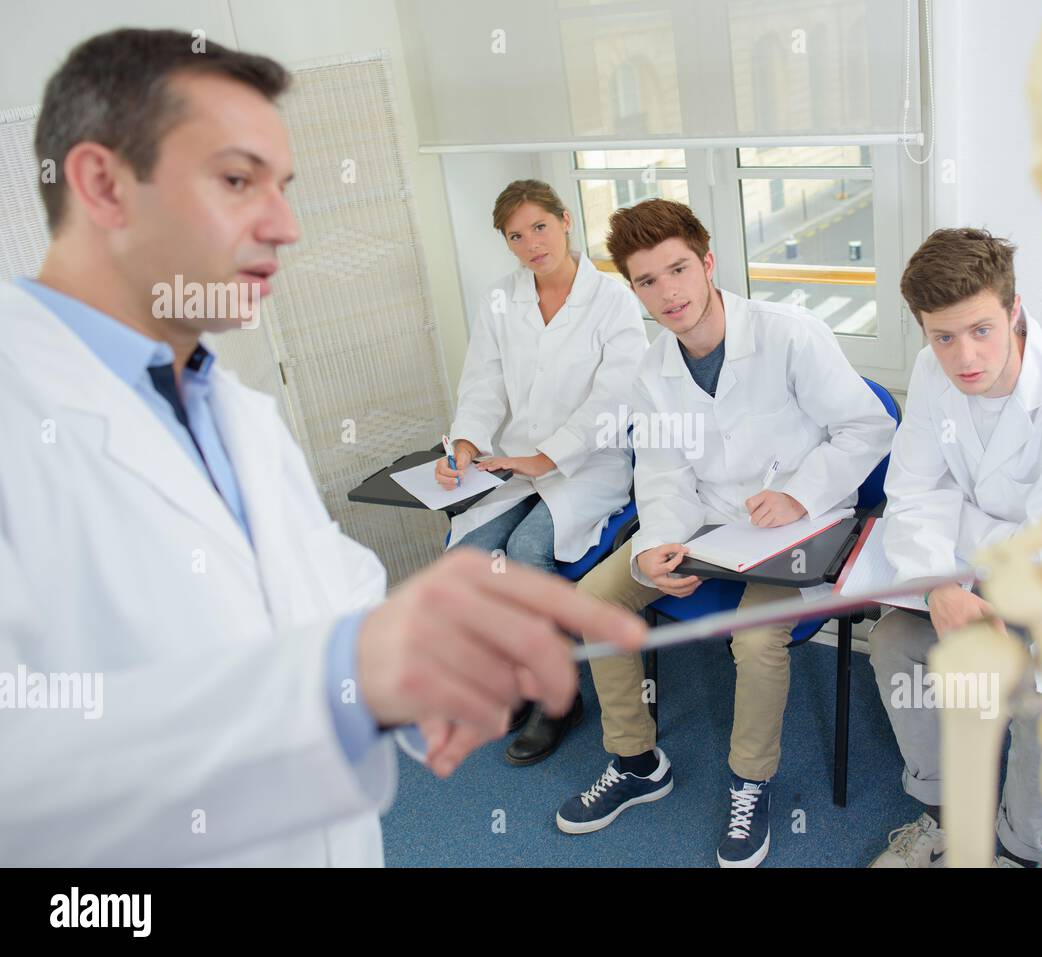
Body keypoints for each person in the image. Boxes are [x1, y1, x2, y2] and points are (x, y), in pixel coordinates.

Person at [0, 28, 645, 867]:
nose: (287, 225)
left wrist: (398, 675)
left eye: (285, 185)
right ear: (101, 184)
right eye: (237, 180)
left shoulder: (235, 414)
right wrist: (346, 676)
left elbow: (318, 609)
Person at [552, 199, 897, 867]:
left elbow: (868, 428)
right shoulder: (650, 373)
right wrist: (657, 542)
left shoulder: (789, 333)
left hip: (801, 524)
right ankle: (635, 761)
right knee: (593, 599)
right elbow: (661, 476)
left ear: (708, 263)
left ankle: (750, 780)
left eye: (678, 269)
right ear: (633, 289)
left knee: (756, 634)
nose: (667, 292)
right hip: (707, 523)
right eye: (647, 281)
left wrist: (799, 493)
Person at [867, 227, 1042, 868]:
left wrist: (963, 536)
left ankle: (1021, 845)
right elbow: (912, 492)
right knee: (892, 646)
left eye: (981, 330)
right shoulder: (933, 372)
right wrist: (941, 586)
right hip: (970, 581)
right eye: (943, 337)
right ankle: (948, 818)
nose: (963, 357)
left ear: (1014, 311)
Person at [436, 180, 648, 765]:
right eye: (516, 236)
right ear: (505, 244)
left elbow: (616, 400)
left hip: (589, 464)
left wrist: (549, 457)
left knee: (528, 550)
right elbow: (482, 382)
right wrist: (464, 444)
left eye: (540, 227)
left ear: (565, 222)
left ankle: (558, 699)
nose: (532, 243)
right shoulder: (501, 299)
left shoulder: (613, 300)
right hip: (513, 461)